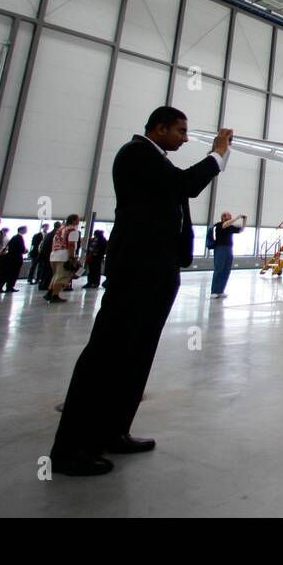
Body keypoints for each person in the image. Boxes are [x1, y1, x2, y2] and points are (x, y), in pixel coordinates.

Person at [50, 107, 232, 476]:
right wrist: (216, 155)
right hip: (137, 268)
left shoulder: (157, 160)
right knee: (108, 353)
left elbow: (177, 191)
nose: (184, 137)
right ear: (159, 128)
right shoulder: (136, 154)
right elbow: (185, 185)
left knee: (137, 354)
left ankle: (113, 430)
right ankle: (70, 448)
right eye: (179, 131)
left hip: (159, 269)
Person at [46, 215, 81, 303]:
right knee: (62, 277)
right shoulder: (72, 230)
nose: (79, 221)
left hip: (54, 254)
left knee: (56, 275)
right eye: (78, 220)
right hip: (63, 255)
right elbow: (71, 244)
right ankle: (55, 295)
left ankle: (50, 293)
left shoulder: (60, 229)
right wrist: (72, 257)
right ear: (73, 221)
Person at [209, 212, 244, 298]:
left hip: (229, 249)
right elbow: (225, 225)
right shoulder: (219, 225)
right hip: (220, 248)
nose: (231, 217)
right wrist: (237, 218)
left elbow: (241, 230)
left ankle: (221, 290)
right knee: (219, 269)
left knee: (226, 270)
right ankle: (214, 291)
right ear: (224, 217)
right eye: (229, 215)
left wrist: (244, 221)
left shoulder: (230, 227)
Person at [0, 225, 28, 293]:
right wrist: (25, 250)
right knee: (12, 273)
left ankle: (4, 287)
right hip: (15, 259)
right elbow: (20, 249)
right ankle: (8, 287)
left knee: (7, 274)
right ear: (21, 230)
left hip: (11, 258)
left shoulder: (15, 237)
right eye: (25, 229)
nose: (26, 231)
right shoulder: (19, 237)